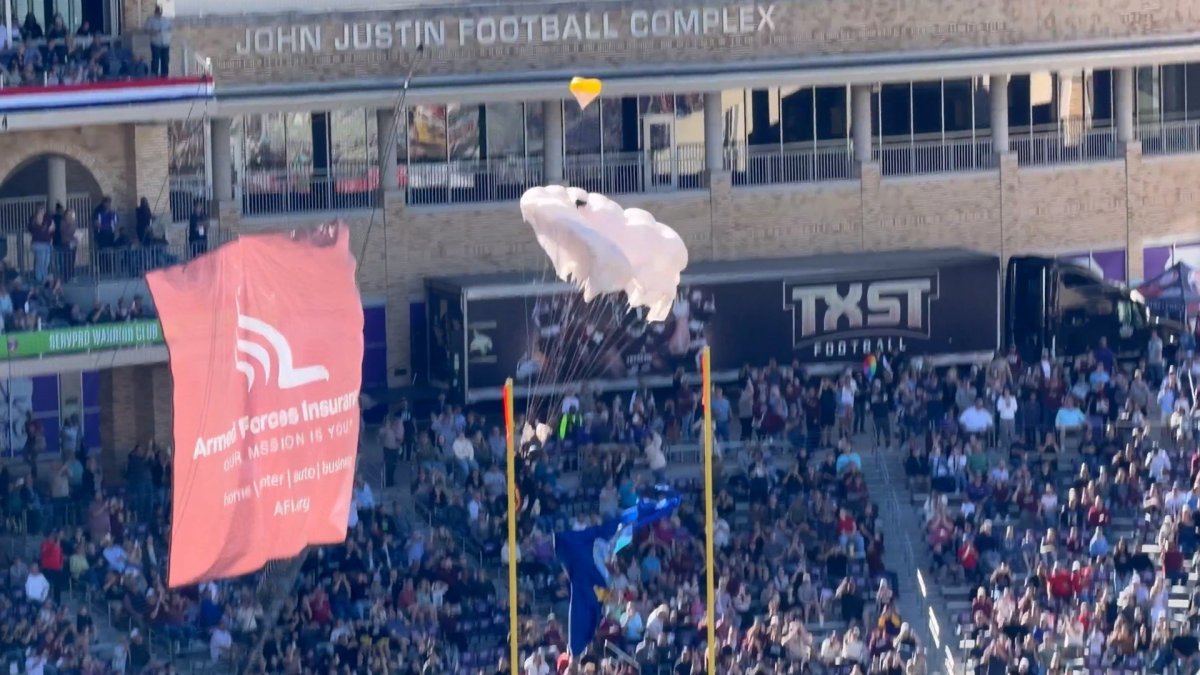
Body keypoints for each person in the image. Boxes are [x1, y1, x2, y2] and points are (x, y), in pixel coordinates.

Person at [145, 5, 172, 77]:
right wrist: (154, 32)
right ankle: (154, 76)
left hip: (165, 43)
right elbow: (146, 30)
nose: (159, 12)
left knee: (165, 61)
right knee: (155, 61)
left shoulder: (165, 20)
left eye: (160, 11)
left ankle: (165, 77)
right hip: (156, 43)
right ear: (155, 11)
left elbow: (170, 28)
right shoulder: (151, 20)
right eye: (158, 11)